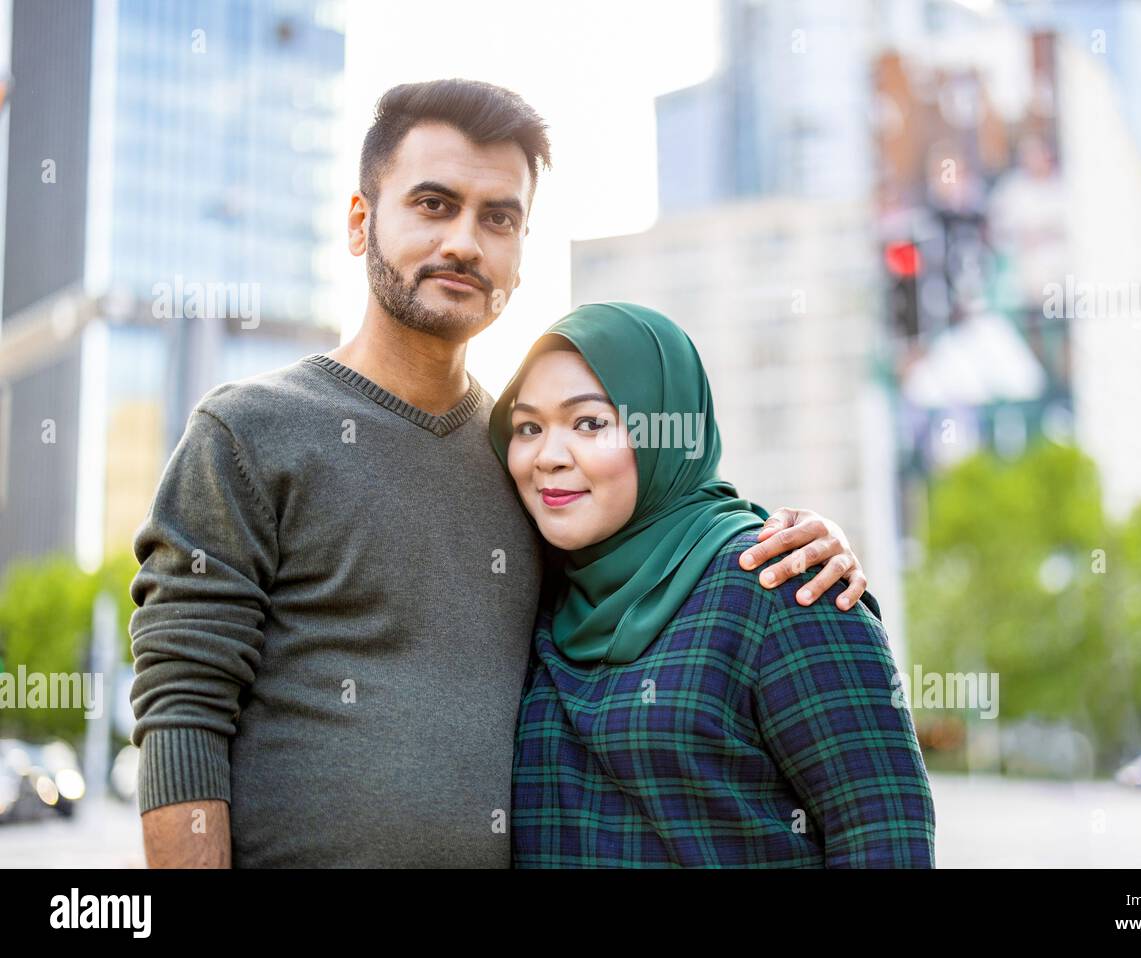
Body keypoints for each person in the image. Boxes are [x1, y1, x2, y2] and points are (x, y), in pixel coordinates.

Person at [129, 79, 874, 867]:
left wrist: (806, 540)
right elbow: (183, 713)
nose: (465, 243)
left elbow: (654, 549)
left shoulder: (529, 464)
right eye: (432, 203)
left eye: (499, 218)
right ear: (359, 223)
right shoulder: (247, 433)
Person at [489, 302, 936, 867]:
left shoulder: (780, 582)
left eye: (590, 423)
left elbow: (884, 835)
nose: (547, 457)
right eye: (528, 427)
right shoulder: (531, 594)